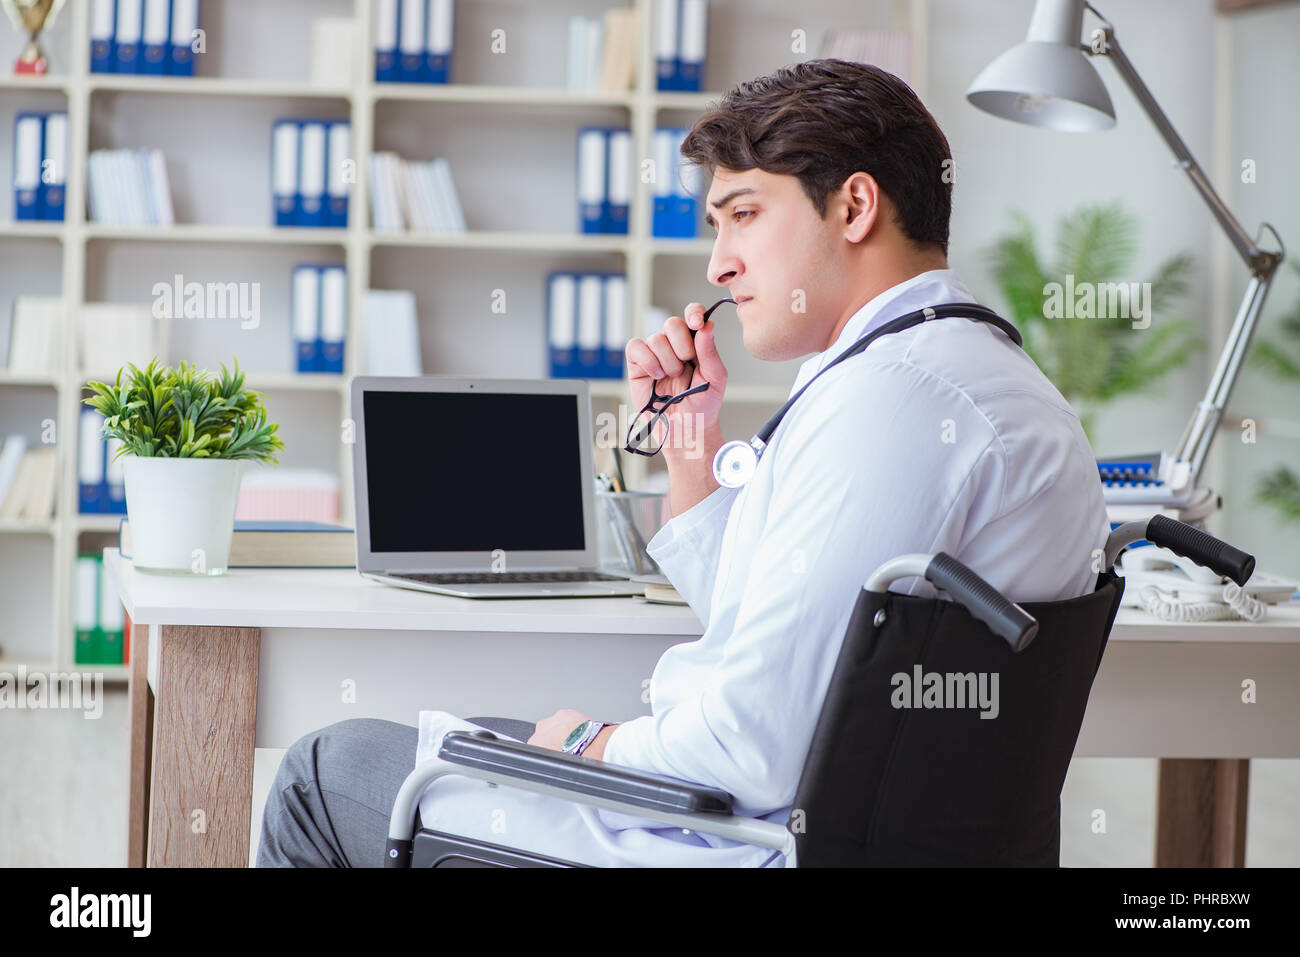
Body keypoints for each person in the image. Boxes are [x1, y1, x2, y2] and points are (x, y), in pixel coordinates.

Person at [257, 58, 1109, 868]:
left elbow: (748, 748)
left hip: (738, 838)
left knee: (324, 771)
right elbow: (777, 629)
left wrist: (593, 743)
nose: (718, 264)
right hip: (826, 830)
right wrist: (690, 443)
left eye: (744, 213)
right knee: (484, 733)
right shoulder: (984, 376)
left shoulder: (892, 401)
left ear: (854, 207)